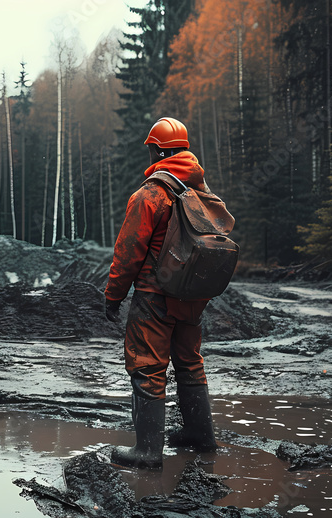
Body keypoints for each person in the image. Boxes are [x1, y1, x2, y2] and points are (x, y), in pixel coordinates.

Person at [105, 117, 220, 469]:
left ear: (157, 150)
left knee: (147, 366)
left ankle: (148, 452)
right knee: (189, 363)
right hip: (192, 295)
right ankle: (200, 437)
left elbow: (128, 253)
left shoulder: (150, 194)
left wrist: (113, 296)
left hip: (155, 296)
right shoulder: (202, 190)